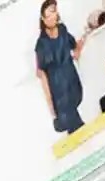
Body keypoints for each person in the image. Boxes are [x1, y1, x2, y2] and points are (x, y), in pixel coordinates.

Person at [35, 0, 87, 135]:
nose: (54, 15)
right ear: (43, 18)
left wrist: (85, 37)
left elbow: (75, 51)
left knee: (75, 116)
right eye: (50, 12)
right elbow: (41, 75)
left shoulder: (63, 29)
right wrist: (50, 105)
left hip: (72, 81)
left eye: (55, 11)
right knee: (74, 126)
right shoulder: (41, 44)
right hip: (58, 90)